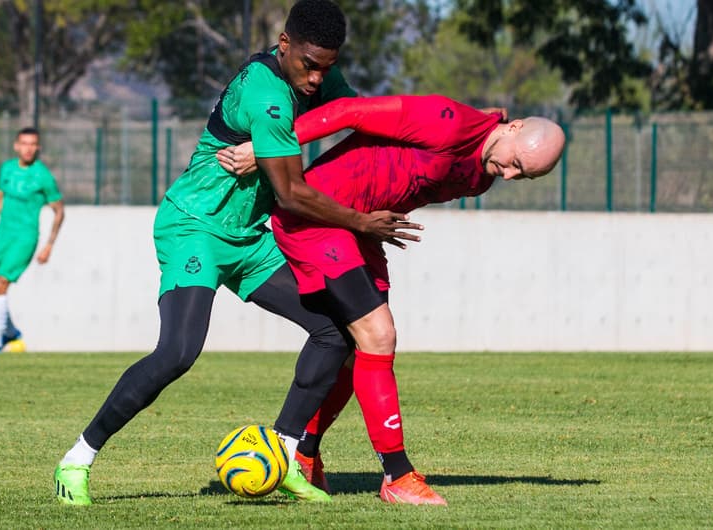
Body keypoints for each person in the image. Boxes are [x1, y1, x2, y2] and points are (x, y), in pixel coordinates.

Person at [52, 0, 421, 506]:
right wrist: (361, 221)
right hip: (195, 227)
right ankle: (78, 458)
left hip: (249, 236)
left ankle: (285, 454)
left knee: (334, 330)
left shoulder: (315, 80)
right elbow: (291, 194)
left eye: (327, 68)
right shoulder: (266, 92)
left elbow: (361, 118)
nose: (316, 79)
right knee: (177, 353)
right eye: (309, 65)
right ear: (284, 44)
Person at [265, 94, 565, 505]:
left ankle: (303, 454)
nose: (510, 176)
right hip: (319, 216)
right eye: (516, 163)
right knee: (378, 334)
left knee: (354, 352)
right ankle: (397, 475)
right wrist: (265, 150)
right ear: (514, 127)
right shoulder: (448, 121)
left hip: (363, 229)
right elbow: (350, 111)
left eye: (523, 176)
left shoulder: (482, 174)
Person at [0, 127, 64, 355]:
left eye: (33, 144)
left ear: (38, 147)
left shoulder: (43, 176)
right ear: (16, 145)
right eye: (24, 143)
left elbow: (59, 211)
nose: (29, 148)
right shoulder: (7, 168)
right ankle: (11, 332)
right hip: (3, 236)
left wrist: (49, 245)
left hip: (25, 238)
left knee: (0, 285)